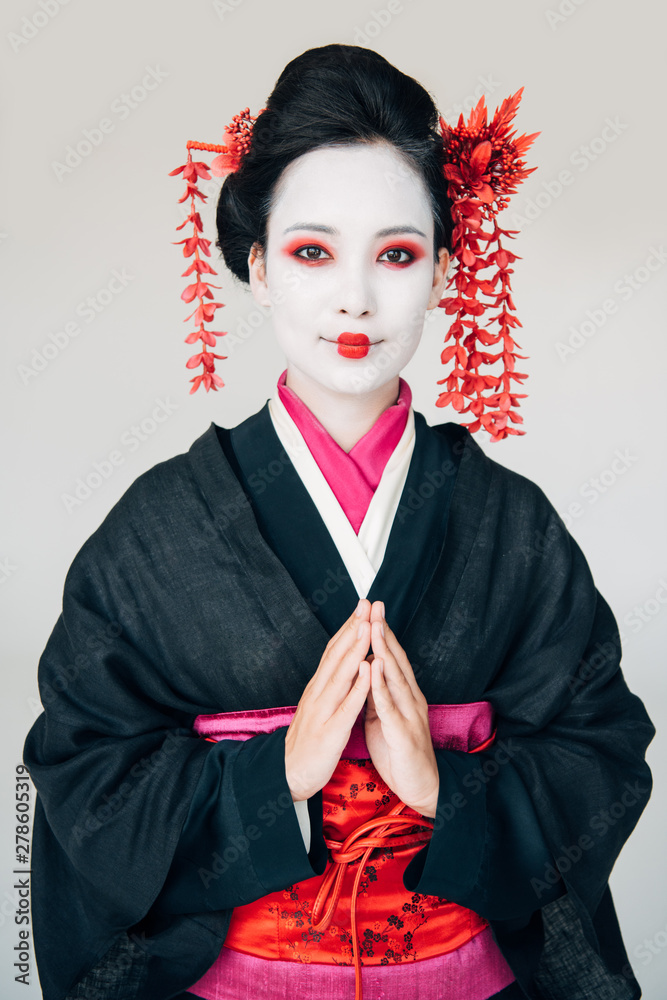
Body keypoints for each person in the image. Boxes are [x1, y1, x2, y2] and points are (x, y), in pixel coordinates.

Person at [23, 43, 654, 1000]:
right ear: (257, 268)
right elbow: (82, 768)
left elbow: (599, 746)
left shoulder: (507, 524)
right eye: (312, 251)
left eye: (395, 254)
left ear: (444, 271)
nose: (356, 297)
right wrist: (274, 775)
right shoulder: (156, 531)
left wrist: (442, 789)